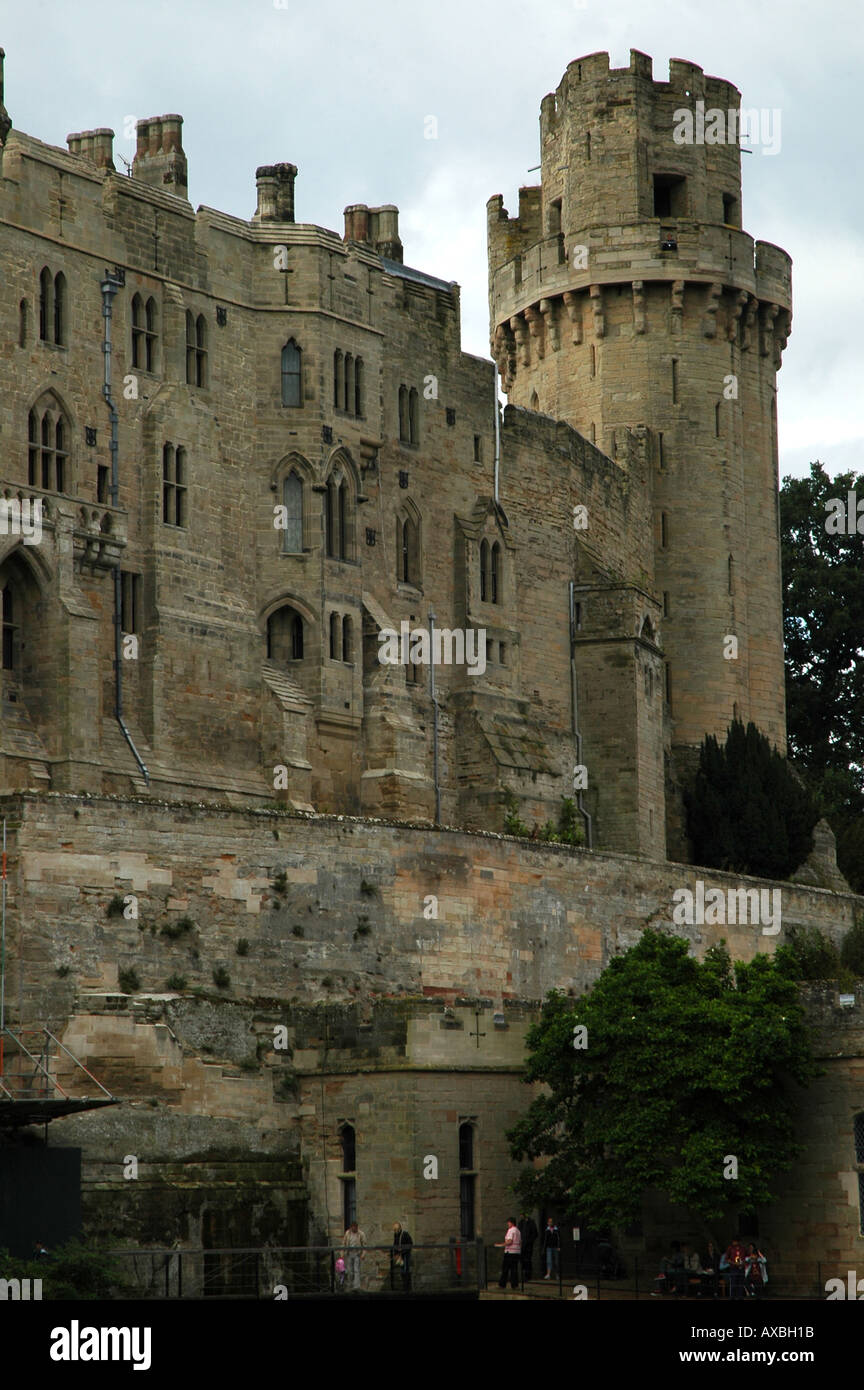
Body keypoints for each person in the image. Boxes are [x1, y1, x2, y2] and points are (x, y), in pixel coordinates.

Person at [495, 1218, 522, 1290]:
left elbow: (509, 1241)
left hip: (509, 1252)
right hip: (516, 1252)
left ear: (511, 1223)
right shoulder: (518, 1231)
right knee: (514, 1269)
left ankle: (502, 1284)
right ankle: (515, 1285)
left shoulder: (511, 1230)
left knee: (505, 1269)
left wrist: (500, 1245)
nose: (508, 1224)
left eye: (508, 1223)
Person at [343, 1220, 366, 1291]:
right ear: (351, 1227)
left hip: (357, 1253)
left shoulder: (361, 1234)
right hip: (349, 1253)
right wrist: (342, 1253)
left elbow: (364, 1244)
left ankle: (356, 1286)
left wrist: (363, 1254)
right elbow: (344, 1243)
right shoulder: (347, 1233)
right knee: (349, 1270)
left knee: (356, 1270)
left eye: (355, 1227)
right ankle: (350, 1285)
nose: (354, 1228)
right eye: (353, 1227)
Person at [392, 1221, 413, 1291]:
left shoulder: (405, 1234)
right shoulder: (396, 1235)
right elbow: (395, 1244)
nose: (395, 1231)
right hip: (401, 1255)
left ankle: (407, 1287)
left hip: (405, 1255)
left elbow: (410, 1244)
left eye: (396, 1230)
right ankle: (405, 1286)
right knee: (402, 1270)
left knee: (405, 1270)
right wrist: (396, 1253)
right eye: (394, 1230)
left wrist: (403, 1251)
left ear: (399, 1228)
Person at [518, 1213, 538, 1281]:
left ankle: (528, 1275)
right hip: (522, 1245)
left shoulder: (531, 1223)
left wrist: (529, 1241)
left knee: (528, 1260)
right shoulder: (521, 1223)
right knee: (522, 1260)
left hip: (528, 1245)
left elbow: (535, 1234)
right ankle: (524, 1275)